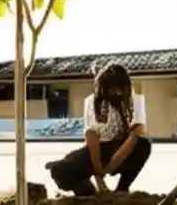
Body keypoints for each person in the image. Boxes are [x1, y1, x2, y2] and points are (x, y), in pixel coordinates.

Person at [46, 62, 152, 197]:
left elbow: (134, 137)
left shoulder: (136, 100)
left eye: (119, 88)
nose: (117, 93)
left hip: (123, 149)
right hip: (100, 149)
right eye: (112, 89)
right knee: (62, 170)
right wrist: (97, 169)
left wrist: (107, 169)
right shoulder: (92, 102)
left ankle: (122, 188)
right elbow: (92, 137)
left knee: (143, 144)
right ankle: (85, 190)